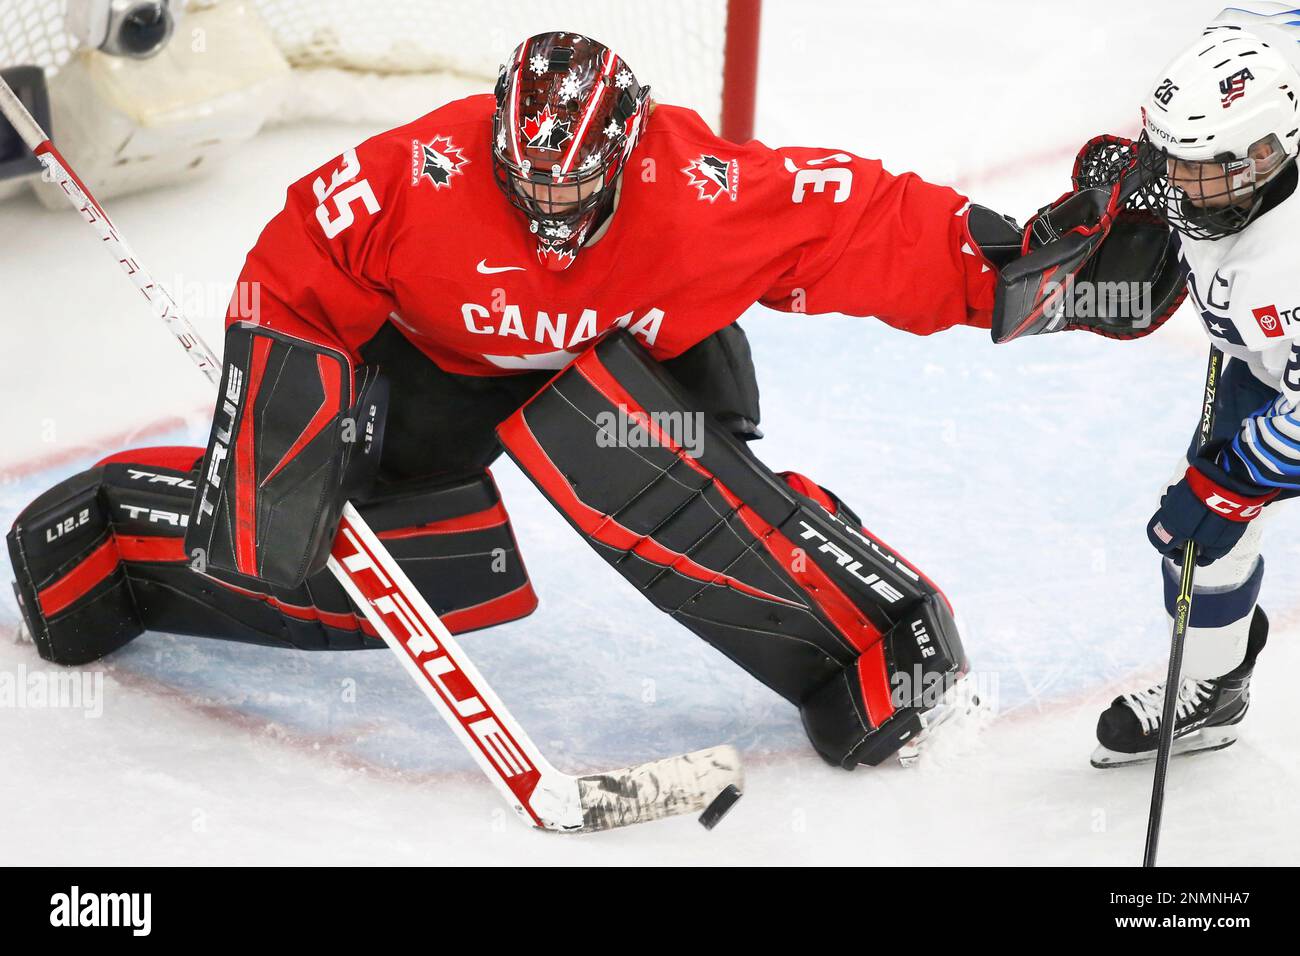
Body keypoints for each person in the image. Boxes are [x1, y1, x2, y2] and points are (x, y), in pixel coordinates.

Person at [6, 31, 1141, 769]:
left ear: (630, 141)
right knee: (387, 557)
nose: (553, 198)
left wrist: (1017, 266)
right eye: (532, 174)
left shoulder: (696, 191)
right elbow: (300, 259)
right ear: (495, 135)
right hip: (436, 372)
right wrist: (279, 439)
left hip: (630, 372)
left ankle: (869, 641)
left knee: (638, 465)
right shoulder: (423, 172)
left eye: (577, 177)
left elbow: (859, 220)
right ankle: (114, 544)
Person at [1000, 10, 1300, 766]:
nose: (1175, 185)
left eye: (1200, 167)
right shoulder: (1264, 61)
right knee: (1207, 538)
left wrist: (1229, 479)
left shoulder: (1286, 267)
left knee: (1209, 505)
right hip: (1268, 354)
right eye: (1174, 159)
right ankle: (1214, 685)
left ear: (1270, 153)